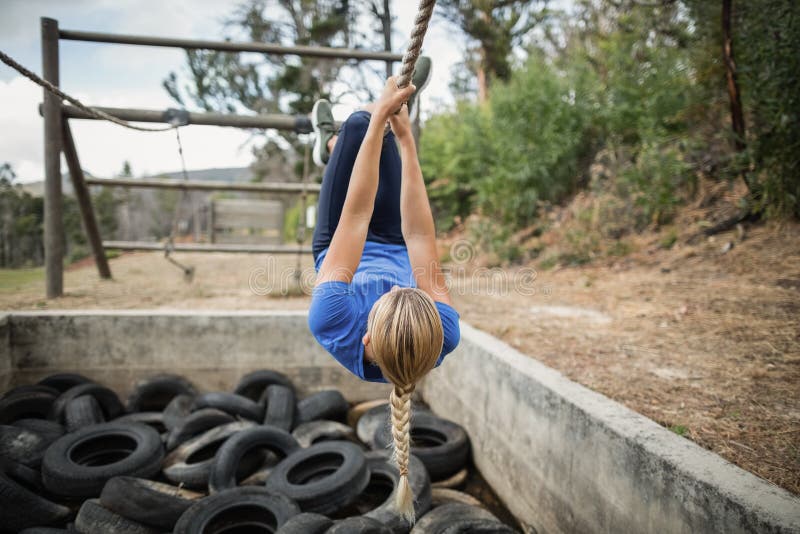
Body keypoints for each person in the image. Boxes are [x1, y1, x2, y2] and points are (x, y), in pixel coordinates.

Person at [307, 58, 460, 524]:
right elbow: (418, 237)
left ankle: (331, 147)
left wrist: (378, 119)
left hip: (339, 239)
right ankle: (347, 140)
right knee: (387, 138)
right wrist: (407, 140)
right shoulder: (444, 330)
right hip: (395, 239)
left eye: (384, 299)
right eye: (404, 291)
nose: (392, 288)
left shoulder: (332, 316)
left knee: (358, 126)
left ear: (366, 339)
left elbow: (355, 217)